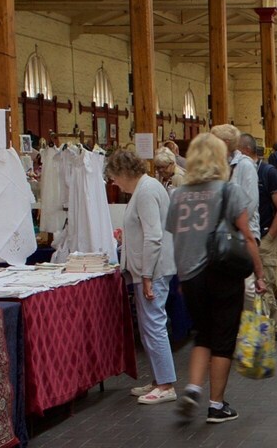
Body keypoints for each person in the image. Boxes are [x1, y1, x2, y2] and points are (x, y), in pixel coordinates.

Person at [166, 133, 272, 424]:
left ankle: (191, 388)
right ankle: (216, 404)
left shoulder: (177, 195)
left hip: (190, 274)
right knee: (223, 339)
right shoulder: (228, 191)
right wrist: (259, 275)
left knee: (202, 334)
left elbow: (176, 237)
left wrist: (181, 277)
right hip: (223, 272)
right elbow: (247, 237)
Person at [108, 150, 180, 405]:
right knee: (150, 327)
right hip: (150, 268)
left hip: (153, 270)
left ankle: (166, 384)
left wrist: (147, 275)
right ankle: (159, 379)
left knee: (153, 326)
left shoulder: (146, 191)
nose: (114, 182)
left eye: (114, 177)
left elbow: (154, 235)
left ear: (123, 173)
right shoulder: (147, 188)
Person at [245, 136, 277, 304]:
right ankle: (255, 330)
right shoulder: (239, 172)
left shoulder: (267, 172)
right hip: (247, 240)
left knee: (266, 288)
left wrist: (269, 237)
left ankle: (270, 329)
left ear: (247, 151)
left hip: (263, 239)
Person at [212, 125, 262, 235]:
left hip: (244, 233)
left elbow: (250, 202)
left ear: (225, 143)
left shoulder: (245, 165)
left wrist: (233, 224)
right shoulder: (219, 165)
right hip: (223, 232)